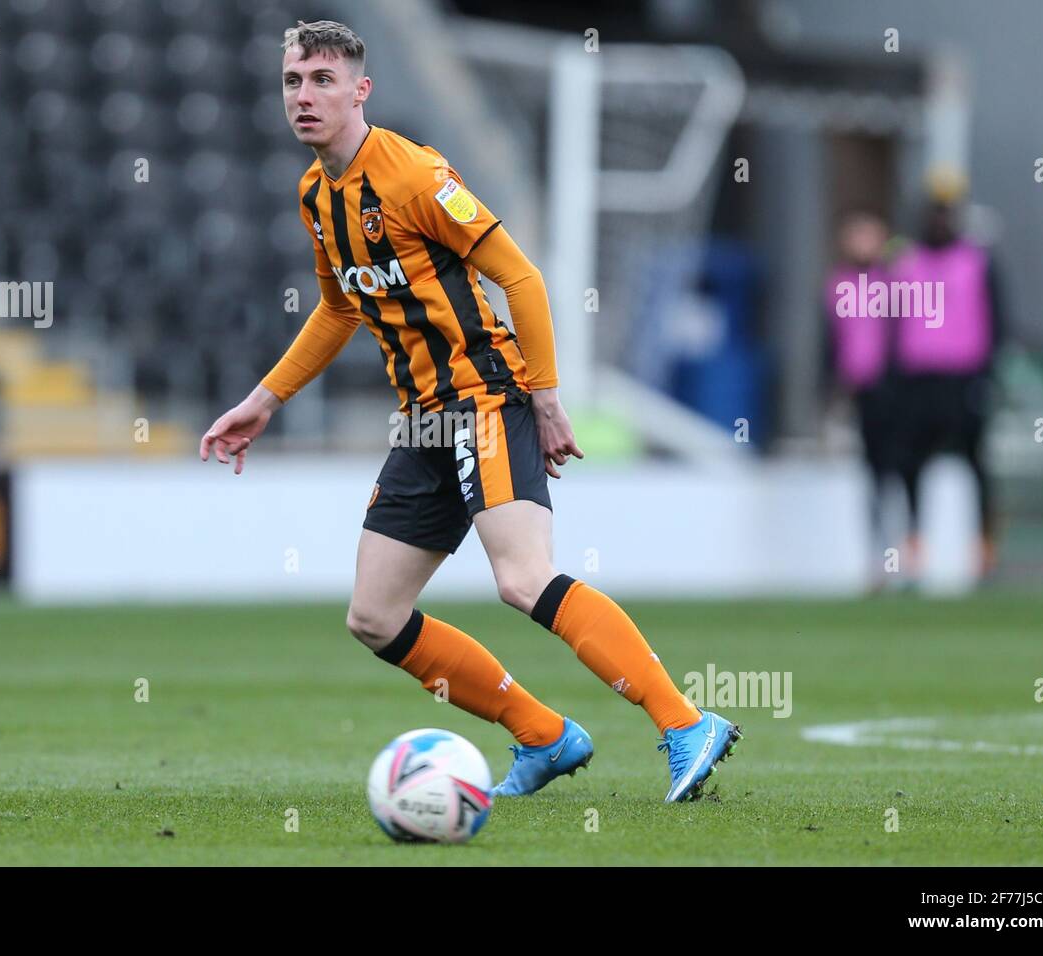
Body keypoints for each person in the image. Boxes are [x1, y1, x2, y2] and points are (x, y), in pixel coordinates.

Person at [199, 20, 740, 801]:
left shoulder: (414, 175)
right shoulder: (316, 195)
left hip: (486, 396)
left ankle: (684, 722)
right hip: (422, 417)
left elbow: (521, 277)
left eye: (322, 80)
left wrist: (547, 400)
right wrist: (264, 399)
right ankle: (544, 735)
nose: (305, 96)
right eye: (293, 81)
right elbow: (337, 310)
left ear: (361, 90)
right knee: (375, 617)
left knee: (523, 579)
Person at [889, 185, 1005, 578]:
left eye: (945, 214)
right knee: (910, 465)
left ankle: (983, 552)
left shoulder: (977, 262)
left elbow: (997, 320)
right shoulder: (906, 261)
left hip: (963, 378)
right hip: (918, 378)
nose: (939, 222)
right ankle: (915, 549)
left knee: (976, 463)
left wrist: (988, 374)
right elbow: (891, 321)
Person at [822, 210, 901, 579]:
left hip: (896, 391)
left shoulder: (896, 282)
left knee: (898, 472)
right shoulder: (838, 284)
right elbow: (831, 343)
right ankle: (879, 558)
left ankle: (904, 552)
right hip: (863, 392)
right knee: (873, 474)